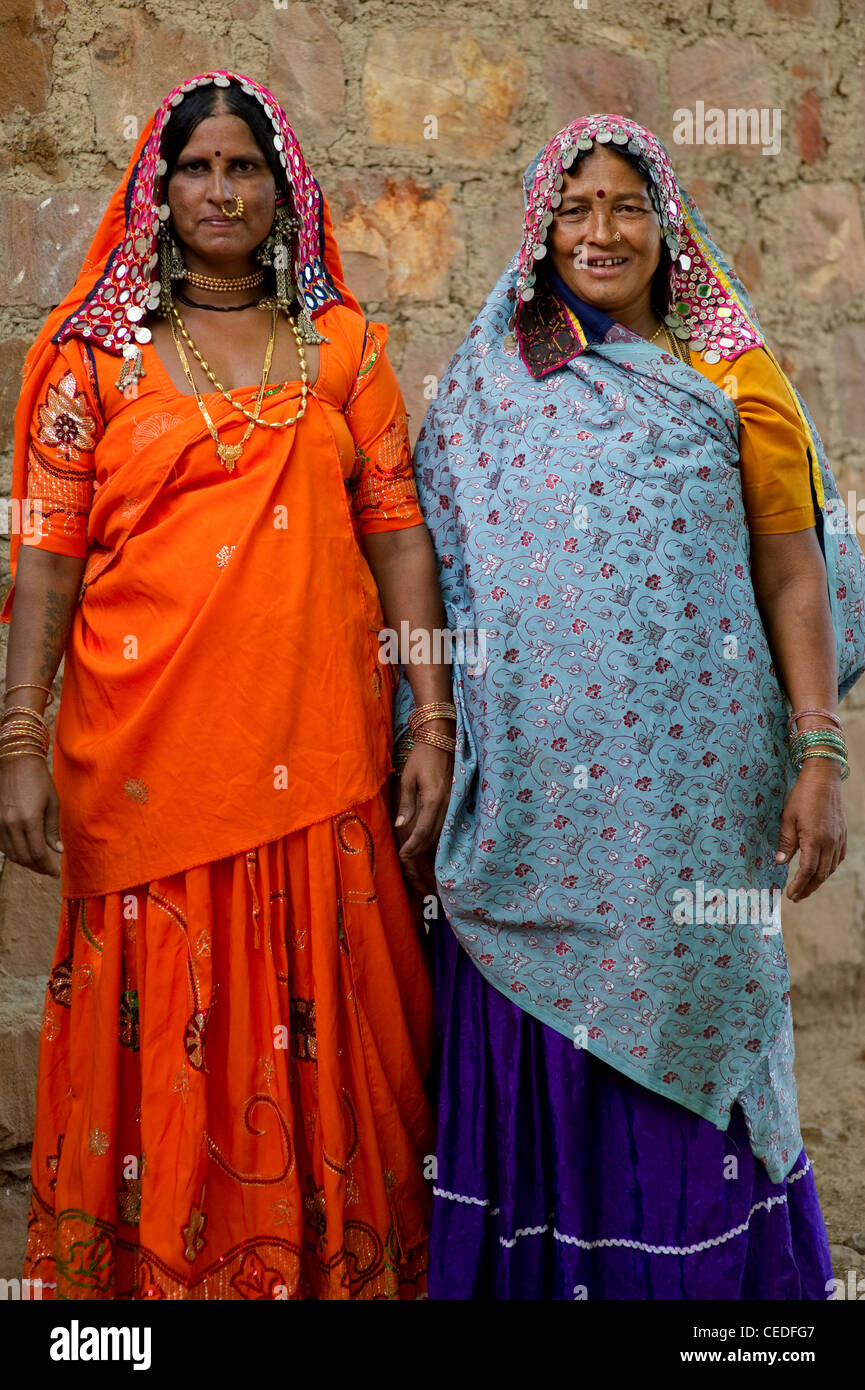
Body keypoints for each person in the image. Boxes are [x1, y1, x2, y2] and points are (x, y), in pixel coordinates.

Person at [0, 70, 454, 1301]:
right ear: (158, 193)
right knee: (160, 1032)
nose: (219, 189)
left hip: (320, 762)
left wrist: (434, 717)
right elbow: (44, 564)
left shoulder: (347, 354)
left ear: (281, 192)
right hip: (147, 766)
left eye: (243, 168)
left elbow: (399, 536)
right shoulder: (91, 361)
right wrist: (20, 738)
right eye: (195, 168)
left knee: (340, 1021)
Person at [396, 114, 865, 1300]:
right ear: (540, 228)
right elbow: (436, 560)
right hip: (530, 809)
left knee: (692, 1023)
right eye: (576, 208)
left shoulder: (730, 376)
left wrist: (820, 752)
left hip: (689, 817)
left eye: (626, 206)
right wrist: (435, 730)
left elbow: (791, 568)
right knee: (540, 1045)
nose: (600, 231)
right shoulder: (489, 381)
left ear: (668, 225)